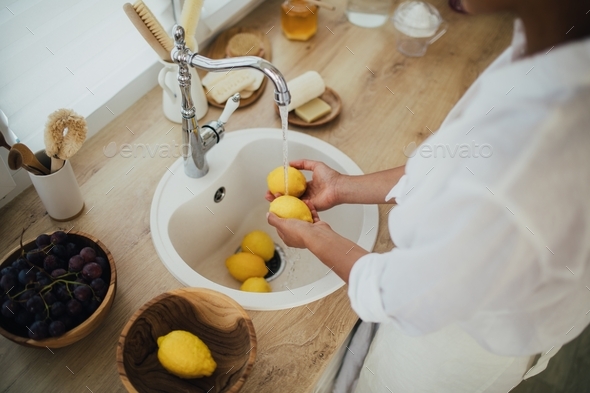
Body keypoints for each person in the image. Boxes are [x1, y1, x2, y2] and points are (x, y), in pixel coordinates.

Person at [266, 0, 590, 391]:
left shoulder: (535, 146)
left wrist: (315, 237)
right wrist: (343, 187)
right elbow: (458, 166)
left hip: (448, 349)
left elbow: (403, 296)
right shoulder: (553, 39)